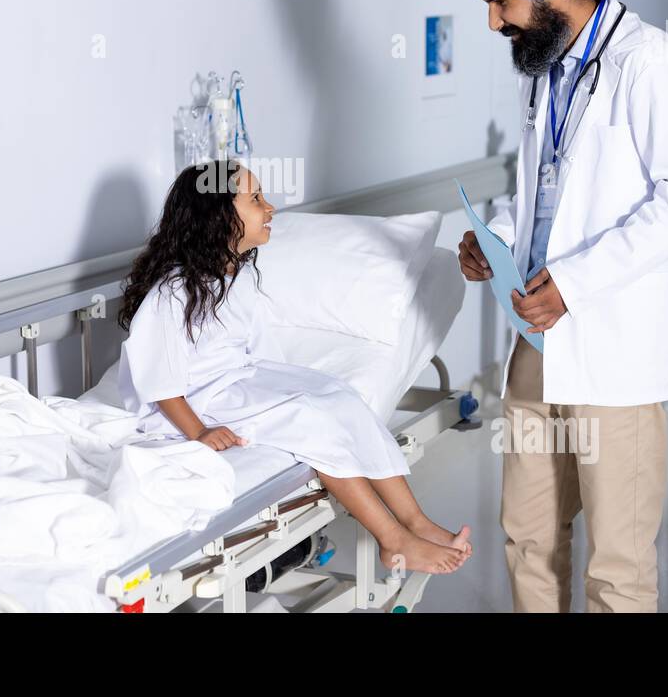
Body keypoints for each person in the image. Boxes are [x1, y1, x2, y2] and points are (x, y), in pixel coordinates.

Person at [457, 0, 668, 611]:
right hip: (538, 336)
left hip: (617, 346)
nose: (494, 23)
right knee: (527, 535)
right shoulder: (543, 70)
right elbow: (545, 188)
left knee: (618, 561)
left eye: (499, 4)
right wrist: (499, 239)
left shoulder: (650, 62)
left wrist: (574, 283)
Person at [118, 160, 471, 575]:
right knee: (312, 420)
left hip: (234, 382)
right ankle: (392, 541)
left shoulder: (237, 276)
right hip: (196, 401)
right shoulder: (175, 290)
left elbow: (251, 350)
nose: (270, 208)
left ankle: (416, 522)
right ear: (218, 216)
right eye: (255, 200)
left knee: (340, 397)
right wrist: (198, 431)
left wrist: (284, 382)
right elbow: (160, 381)